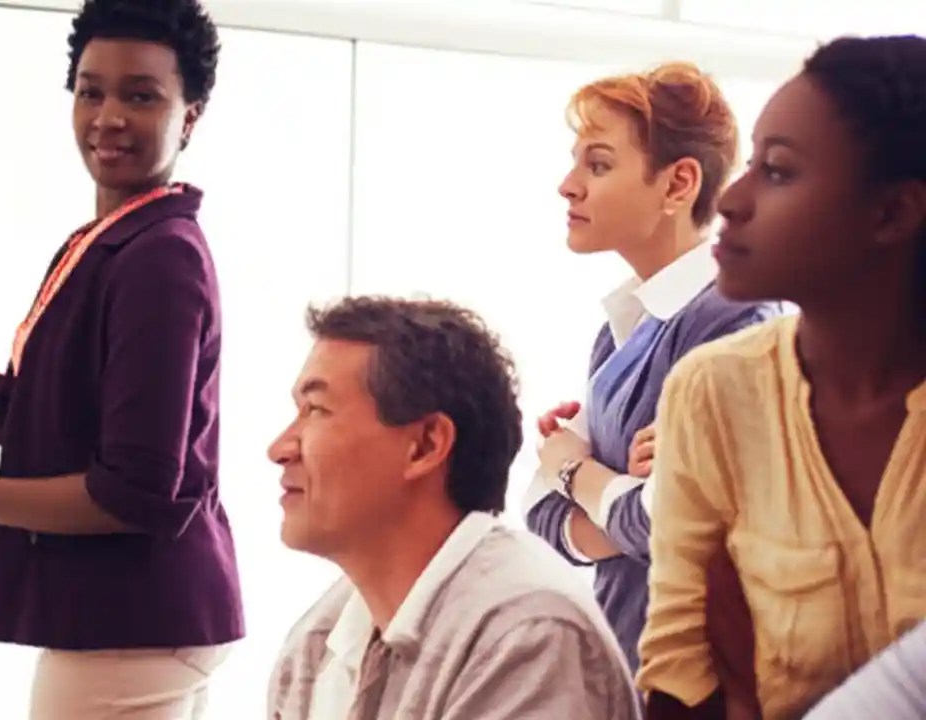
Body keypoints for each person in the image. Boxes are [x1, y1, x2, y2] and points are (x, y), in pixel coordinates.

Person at [0, 1, 244, 717]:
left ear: (192, 115)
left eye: (140, 94)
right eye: (91, 91)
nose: (108, 116)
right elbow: (16, 410)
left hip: (137, 621)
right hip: (128, 621)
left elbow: (133, 492)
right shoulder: (107, 241)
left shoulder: (160, 259)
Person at [638, 34, 926, 720]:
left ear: (891, 214)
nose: (731, 202)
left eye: (778, 171)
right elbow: (680, 673)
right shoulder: (713, 390)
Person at [523, 61, 781, 680]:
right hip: (630, 666)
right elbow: (538, 514)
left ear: (678, 184)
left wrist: (573, 467)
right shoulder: (622, 327)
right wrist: (617, 495)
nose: (568, 184)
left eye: (599, 163)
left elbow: (668, 524)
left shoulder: (736, 319)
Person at [267, 296, 641, 720]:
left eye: (316, 410)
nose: (279, 449)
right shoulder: (319, 644)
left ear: (425, 445)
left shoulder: (528, 635)